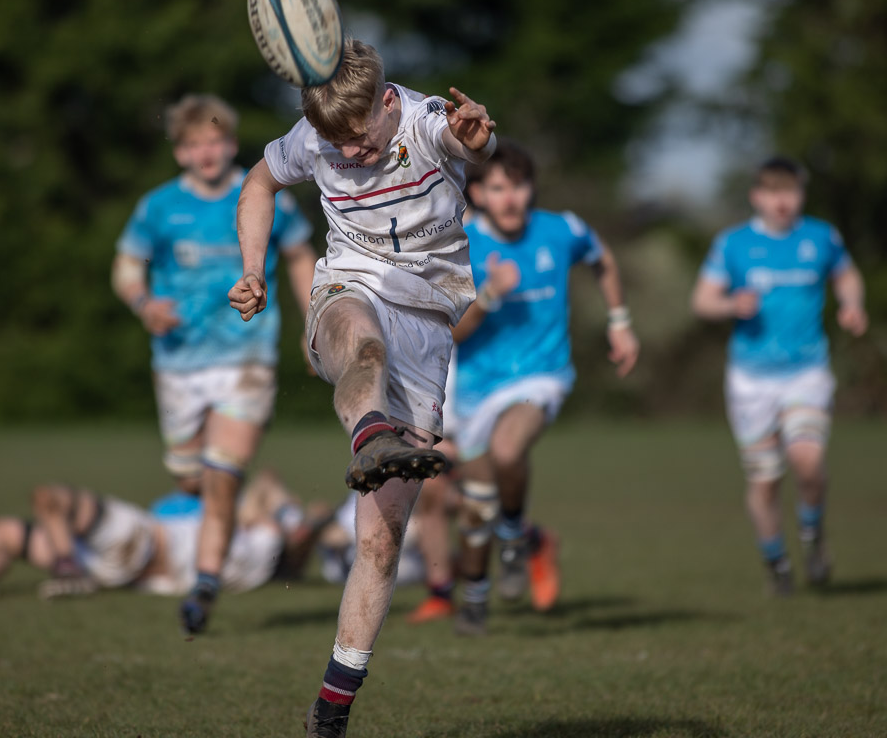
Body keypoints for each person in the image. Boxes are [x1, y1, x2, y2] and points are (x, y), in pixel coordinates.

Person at [227, 39, 496, 737]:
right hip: (349, 281)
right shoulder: (313, 137)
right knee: (361, 344)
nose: (349, 154)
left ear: (387, 101)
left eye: (361, 138)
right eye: (333, 143)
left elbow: (468, 143)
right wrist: (253, 269)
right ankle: (369, 432)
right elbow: (258, 181)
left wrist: (478, 143)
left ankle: (332, 708)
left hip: (430, 319)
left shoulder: (427, 119)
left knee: (381, 538)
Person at [112, 94, 317, 634]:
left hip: (245, 358)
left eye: (216, 140)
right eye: (194, 143)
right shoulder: (158, 207)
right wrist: (143, 303)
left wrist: (315, 321)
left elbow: (298, 254)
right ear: (179, 151)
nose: (207, 152)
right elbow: (126, 266)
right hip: (178, 364)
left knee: (222, 476)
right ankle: (268, 515)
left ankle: (204, 584)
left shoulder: (262, 195)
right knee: (190, 478)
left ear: (231, 144)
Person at [443, 139, 640, 635]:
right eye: (498, 187)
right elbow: (452, 332)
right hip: (475, 389)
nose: (510, 198)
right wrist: (487, 295)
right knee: (474, 506)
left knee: (509, 451)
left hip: (541, 378)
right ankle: (474, 600)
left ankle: (513, 537)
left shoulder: (562, 229)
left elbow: (603, 259)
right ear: (480, 193)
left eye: (519, 186)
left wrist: (619, 321)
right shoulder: (461, 243)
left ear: (531, 189)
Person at [691, 156, 867, 596]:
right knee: (765, 479)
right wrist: (731, 305)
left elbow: (847, 277)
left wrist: (852, 304)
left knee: (808, 462)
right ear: (756, 196)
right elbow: (702, 301)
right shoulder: (733, 244)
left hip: (806, 372)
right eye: (772, 191)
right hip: (751, 380)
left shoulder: (820, 237)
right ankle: (777, 562)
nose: (781, 200)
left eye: (789, 191)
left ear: (800, 194)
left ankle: (812, 537)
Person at [0, 469, 324, 602]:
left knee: (50, 500)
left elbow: (273, 492)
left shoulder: (262, 535)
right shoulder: (257, 538)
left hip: (138, 544)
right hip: (121, 561)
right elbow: (278, 497)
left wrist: (289, 511)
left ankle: (65, 564)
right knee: (4, 532)